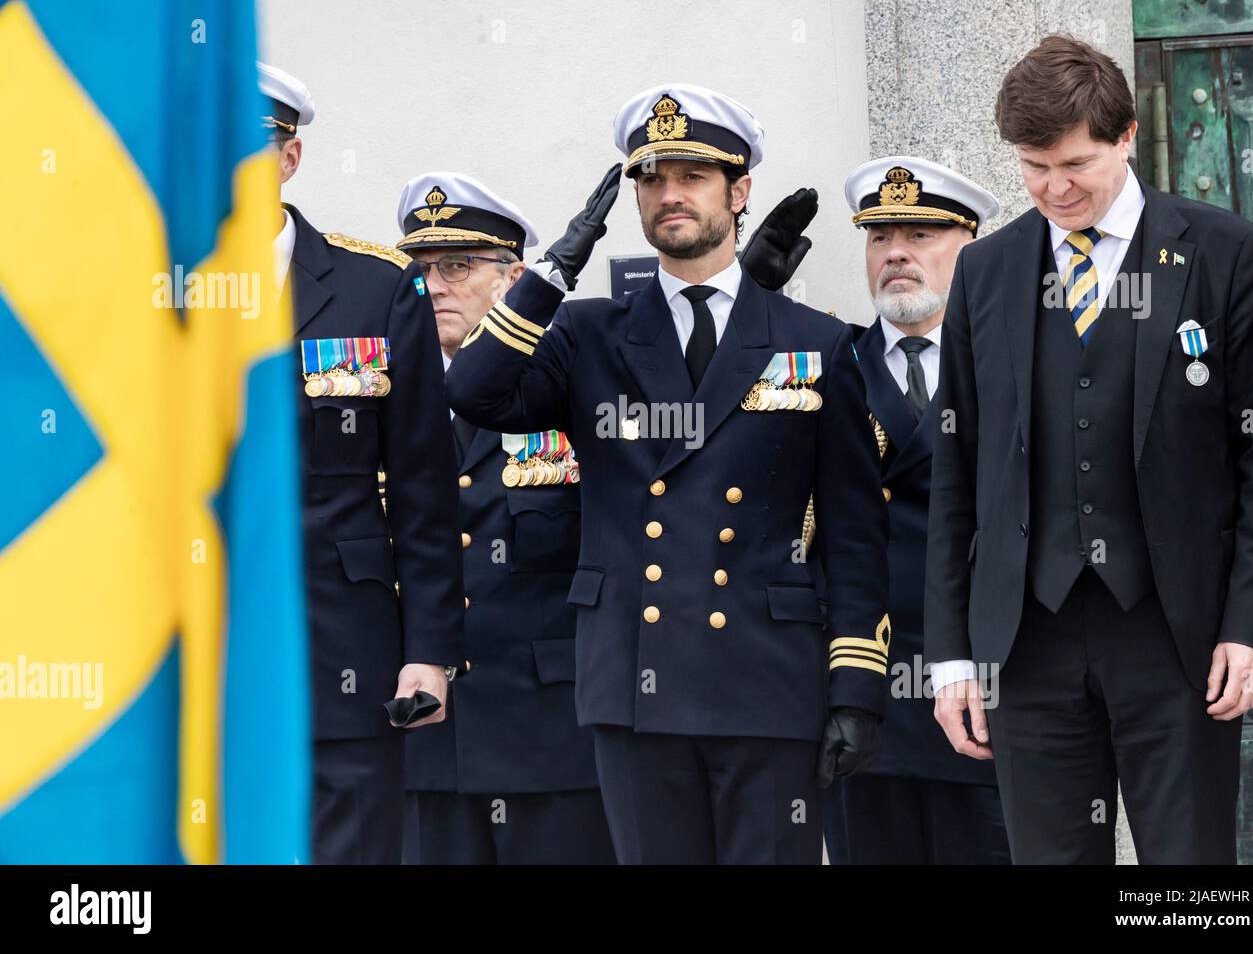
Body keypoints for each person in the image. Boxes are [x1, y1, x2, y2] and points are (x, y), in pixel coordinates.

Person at [444, 84, 890, 865]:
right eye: (651, 178)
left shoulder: (813, 342)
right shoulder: (590, 332)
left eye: (693, 176)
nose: (669, 194)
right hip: (633, 688)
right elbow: (475, 391)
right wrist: (553, 270)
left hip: (766, 685)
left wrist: (855, 684)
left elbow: (853, 533)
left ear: (739, 190)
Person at [924, 36, 1253, 863]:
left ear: (1127, 134)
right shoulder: (985, 272)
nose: (1054, 187)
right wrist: (951, 652)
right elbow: (956, 473)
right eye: (1033, 166)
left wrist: (1252, 625)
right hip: (1029, 640)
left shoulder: (1223, 251)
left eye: (1075, 163)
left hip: (1178, 635)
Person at [259, 63, 466, 864]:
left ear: (291, 157)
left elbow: (423, 486)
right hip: (202, 638)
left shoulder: (375, 289)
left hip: (346, 643)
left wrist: (430, 650)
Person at [393, 171, 615, 864]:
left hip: (552, 744)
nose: (433, 284)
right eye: (420, 269)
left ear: (513, 276)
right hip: (426, 744)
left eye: (456, 266)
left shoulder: (574, 385)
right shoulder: (380, 400)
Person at [822, 157, 1010, 865]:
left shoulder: (1011, 365)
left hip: (984, 690)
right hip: (864, 698)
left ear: (970, 247)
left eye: (922, 232)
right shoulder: (824, 364)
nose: (896, 251)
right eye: (879, 236)